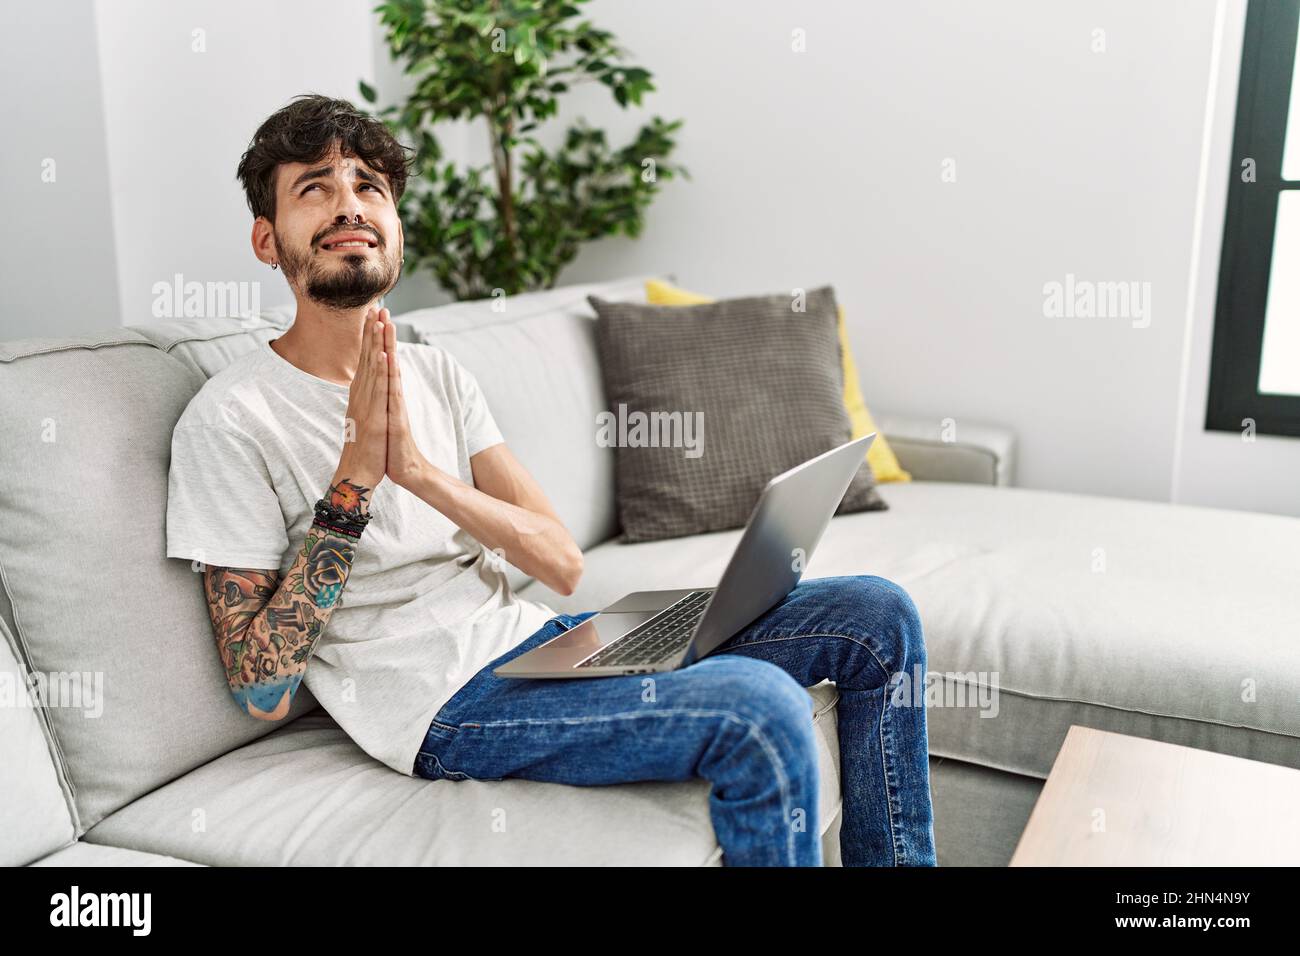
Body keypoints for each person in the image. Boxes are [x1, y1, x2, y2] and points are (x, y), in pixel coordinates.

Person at [166, 94, 936, 867]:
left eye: (370, 187)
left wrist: (424, 476)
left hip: (544, 641)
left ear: (396, 227)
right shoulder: (231, 418)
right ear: (268, 240)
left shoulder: (436, 373)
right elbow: (262, 687)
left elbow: (559, 563)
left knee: (876, 616)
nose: (350, 207)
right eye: (315, 188)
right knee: (760, 708)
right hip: (444, 704)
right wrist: (353, 487)